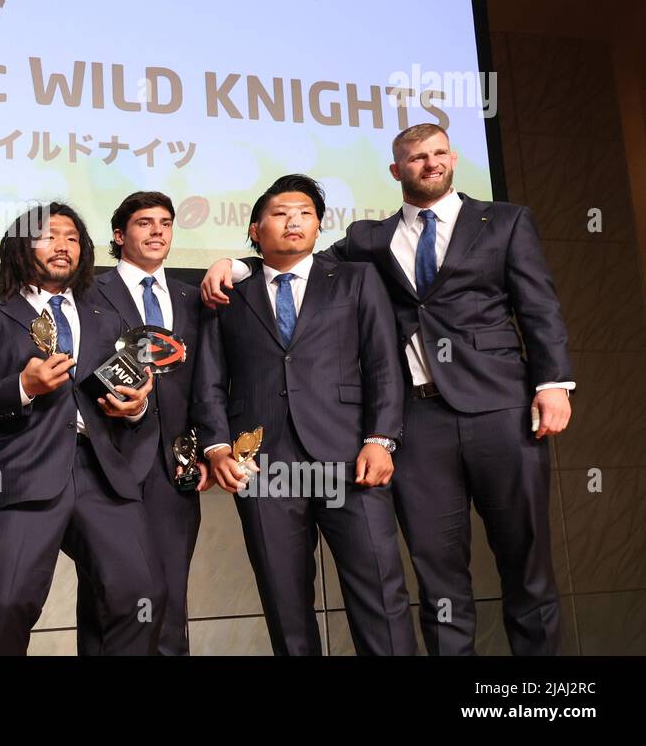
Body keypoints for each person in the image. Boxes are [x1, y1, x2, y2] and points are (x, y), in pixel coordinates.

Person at [202, 124, 574, 655]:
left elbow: (539, 306)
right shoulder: (368, 240)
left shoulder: (505, 221)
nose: (430, 164)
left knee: (525, 559)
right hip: (418, 423)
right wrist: (236, 263)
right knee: (436, 570)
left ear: (453, 158)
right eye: (416, 157)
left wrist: (553, 382)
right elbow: (297, 263)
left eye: (439, 153)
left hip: (501, 408)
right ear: (396, 170)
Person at [193, 174, 416, 655]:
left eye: (305, 213)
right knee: (285, 601)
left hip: (349, 457)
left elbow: (383, 364)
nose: (293, 220)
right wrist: (215, 447)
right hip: (263, 467)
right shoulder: (226, 293)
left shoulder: (358, 280)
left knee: (380, 593)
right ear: (255, 229)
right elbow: (208, 378)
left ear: (318, 227)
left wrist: (382, 439)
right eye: (279, 213)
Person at [0, 203, 164, 655]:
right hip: (23, 473)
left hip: (103, 475)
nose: (63, 246)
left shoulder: (112, 320)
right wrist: (21, 388)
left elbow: (134, 394)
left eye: (72, 238)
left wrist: (136, 408)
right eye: (49, 236)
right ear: (22, 247)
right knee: (8, 603)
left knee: (141, 596)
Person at [75, 191, 207, 656]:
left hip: (176, 465)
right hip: (105, 461)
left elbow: (207, 384)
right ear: (118, 235)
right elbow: (77, 374)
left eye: (166, 223)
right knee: (107, 594)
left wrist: (208, 448)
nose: (157, 231)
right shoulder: (86, 292)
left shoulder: (196, 299)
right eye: (144, 223)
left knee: (170, 594)